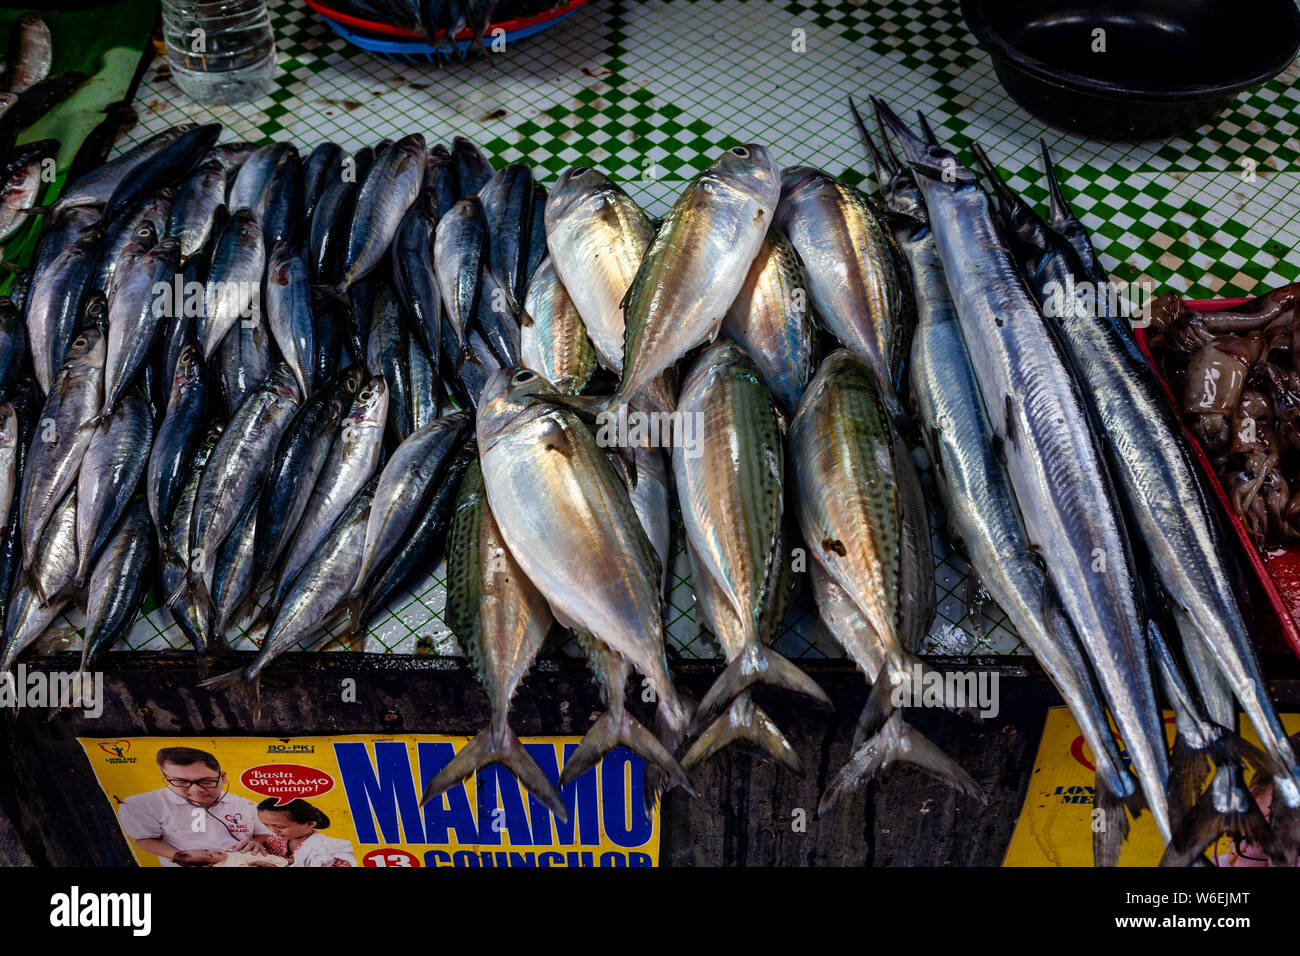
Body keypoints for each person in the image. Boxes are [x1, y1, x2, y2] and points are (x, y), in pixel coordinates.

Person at [117, 747, 273, 867]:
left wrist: (257, 842)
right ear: (166, 778)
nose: (196, 790)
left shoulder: (246, 804)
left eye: (205, 781)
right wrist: (182, 856)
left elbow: (265, 834)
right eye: (181, 782)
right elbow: (143, 839)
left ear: (223, 777)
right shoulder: (141, 804)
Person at [256, 798, 356, 867]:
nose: (272, 830)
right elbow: (266, 839)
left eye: (280, 827)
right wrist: (257, 842)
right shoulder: (278, 840)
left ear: (310, 824)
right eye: (265, 824)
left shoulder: (325, 851)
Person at [172, 848, 288, 868]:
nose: (213, 851)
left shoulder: (225, 854)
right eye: (210, 855)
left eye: (206, 849)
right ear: (209, 865)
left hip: (279, 858)